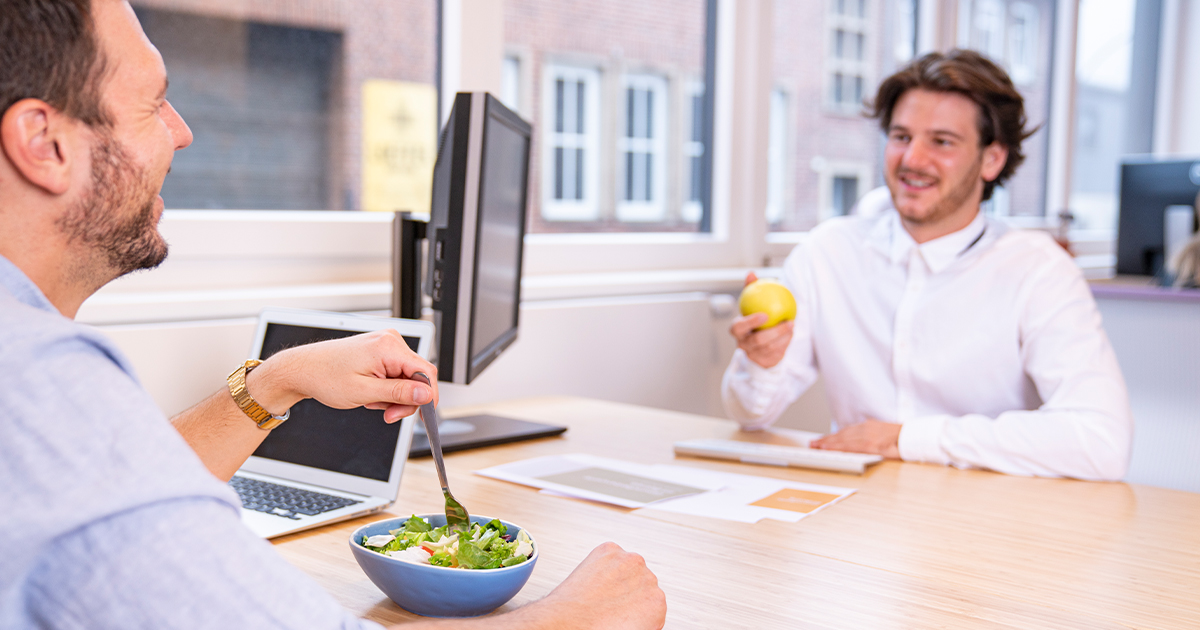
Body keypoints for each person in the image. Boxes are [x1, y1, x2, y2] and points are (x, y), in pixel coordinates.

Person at [0, 1, 667, 628]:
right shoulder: (37, 380)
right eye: (152, 104)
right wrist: (575, 616)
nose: (183, 131)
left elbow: (109, 492)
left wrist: (277, 380)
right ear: (44, 142)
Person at [723, 50, 1133, 481]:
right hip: (856, 511)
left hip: (987, 519)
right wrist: (761, 361)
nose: (913, 160)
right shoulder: (828, 252)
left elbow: (1102, 441)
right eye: (901, 137)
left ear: (992, 159)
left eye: (942, 142)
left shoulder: (1038, 270)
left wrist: (903, 439)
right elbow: (750, 415)